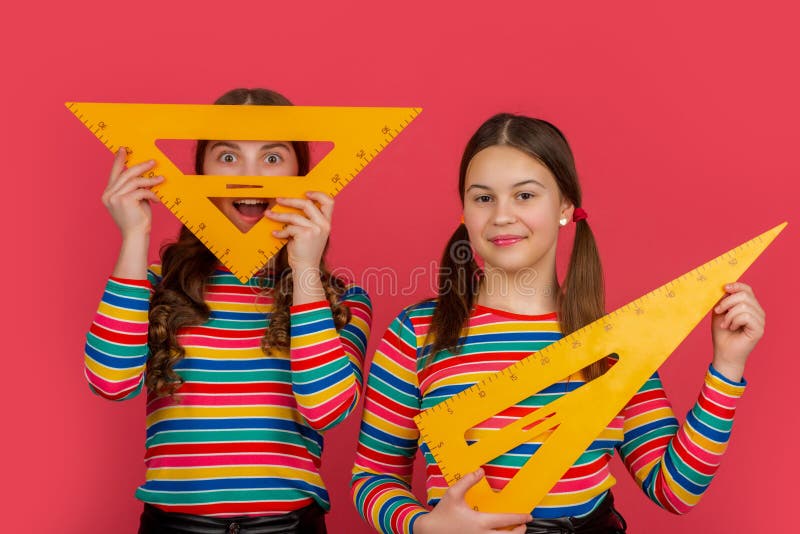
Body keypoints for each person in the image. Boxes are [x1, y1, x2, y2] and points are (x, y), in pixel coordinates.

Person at [351, 113, 764, 534]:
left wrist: (727, 368)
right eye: (483, 198)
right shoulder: (417, 332)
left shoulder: (612, 343)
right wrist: (424, 527)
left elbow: (676, 489)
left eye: (525, 196)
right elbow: (373, 477)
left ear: (565, 206)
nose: (502, 216)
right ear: (464, 212)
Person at [84, 88, 372, 533]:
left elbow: (328, 410)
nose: (249, 178)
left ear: (306, 175)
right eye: (228, 157)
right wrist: (135, 235)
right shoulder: (156, 283)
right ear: (199, 173)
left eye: (273, 158)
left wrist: (304, 269)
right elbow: (110, 382)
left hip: (289, 528)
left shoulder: (342, 299)